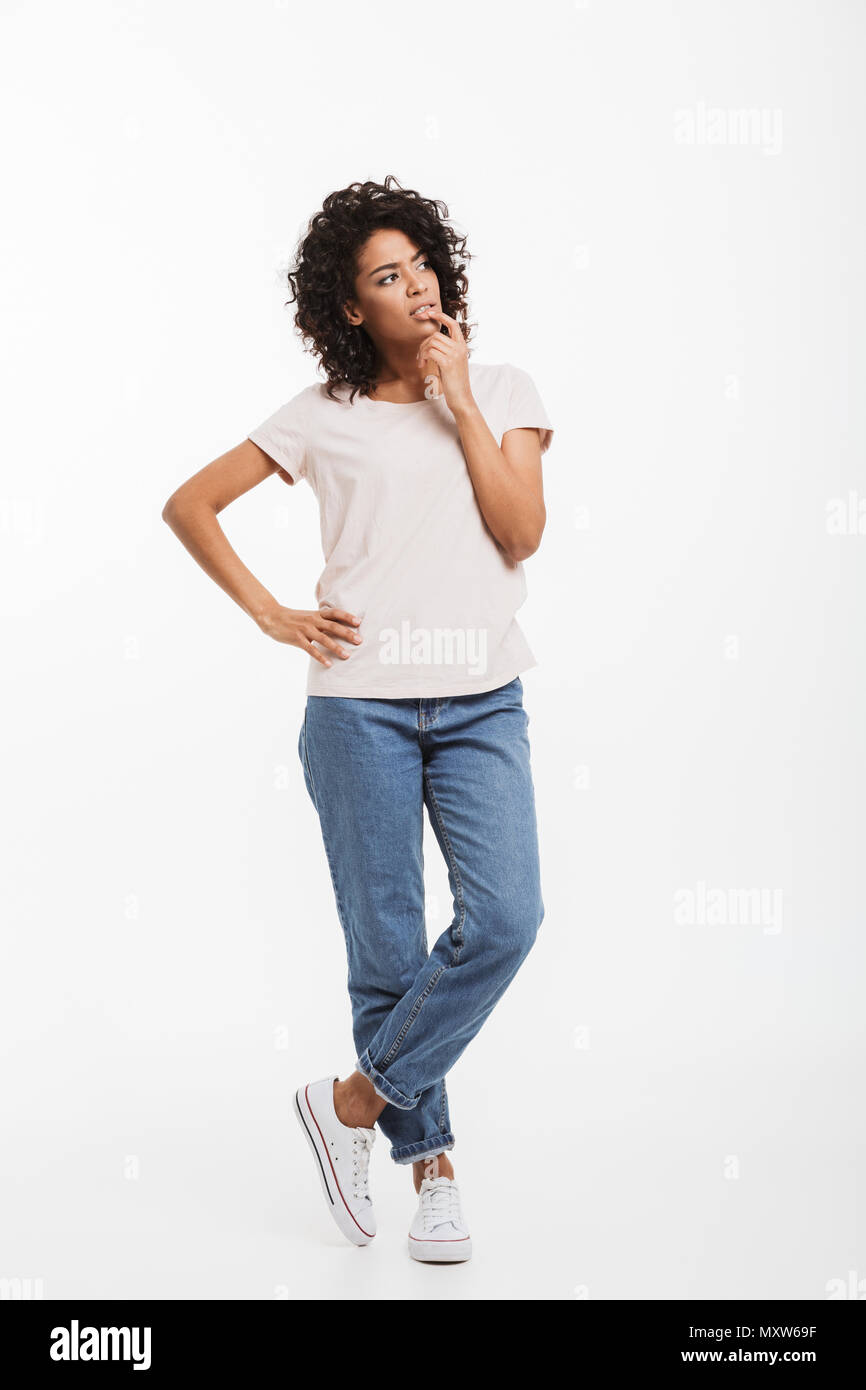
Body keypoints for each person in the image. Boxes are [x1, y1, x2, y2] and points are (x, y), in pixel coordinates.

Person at [162, 176, 554, 1263]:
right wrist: (270, 614)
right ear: (350, 308)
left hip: (481, 700)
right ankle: (430, 1166)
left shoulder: (506, 386)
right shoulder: (318, 416)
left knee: (506, 918)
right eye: (386, 276)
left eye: (421, 262)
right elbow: (189, 503)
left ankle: (346, 1104)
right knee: (384, 951)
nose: (414, 284)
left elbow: (518, 533)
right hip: (356, 714)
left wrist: (459, 395)